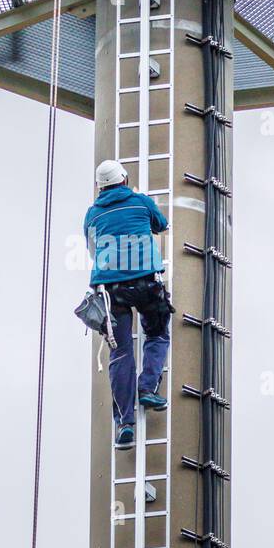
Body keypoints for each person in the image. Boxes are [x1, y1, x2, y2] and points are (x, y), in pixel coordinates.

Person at [84, 159, 173, 451]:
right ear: (124, 179)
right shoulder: (141, 202)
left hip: (111, 290)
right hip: (147, 282)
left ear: (100, 187)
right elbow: (162, 225)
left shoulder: (93, 214)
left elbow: (93, 248)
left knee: (121, 353)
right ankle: (148, 388)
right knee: (157, 334)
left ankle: (125, 423)